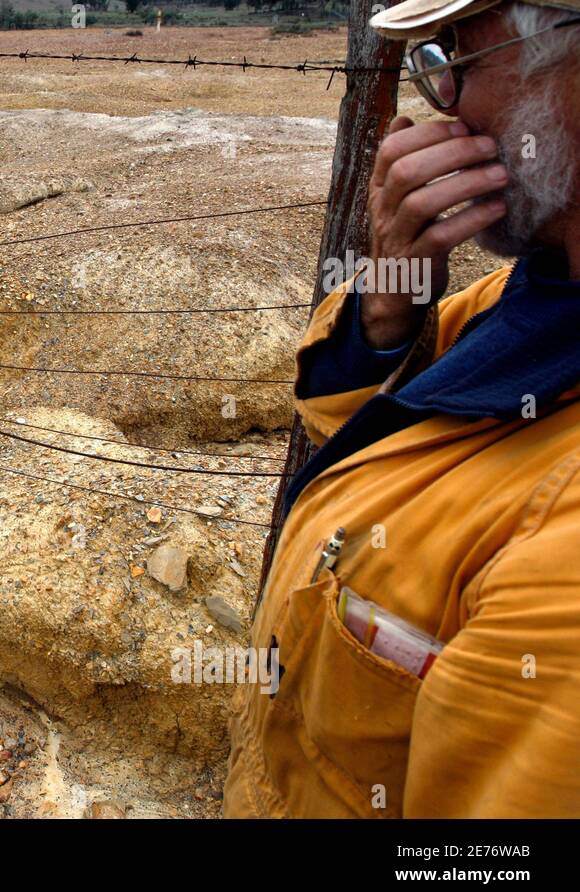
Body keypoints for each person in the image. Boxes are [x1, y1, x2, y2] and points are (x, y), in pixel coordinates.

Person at [223, 0, 580, 817]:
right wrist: (391, 303)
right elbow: (359, 432)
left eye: (457, 54)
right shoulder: (533, 294)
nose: (438, 103)